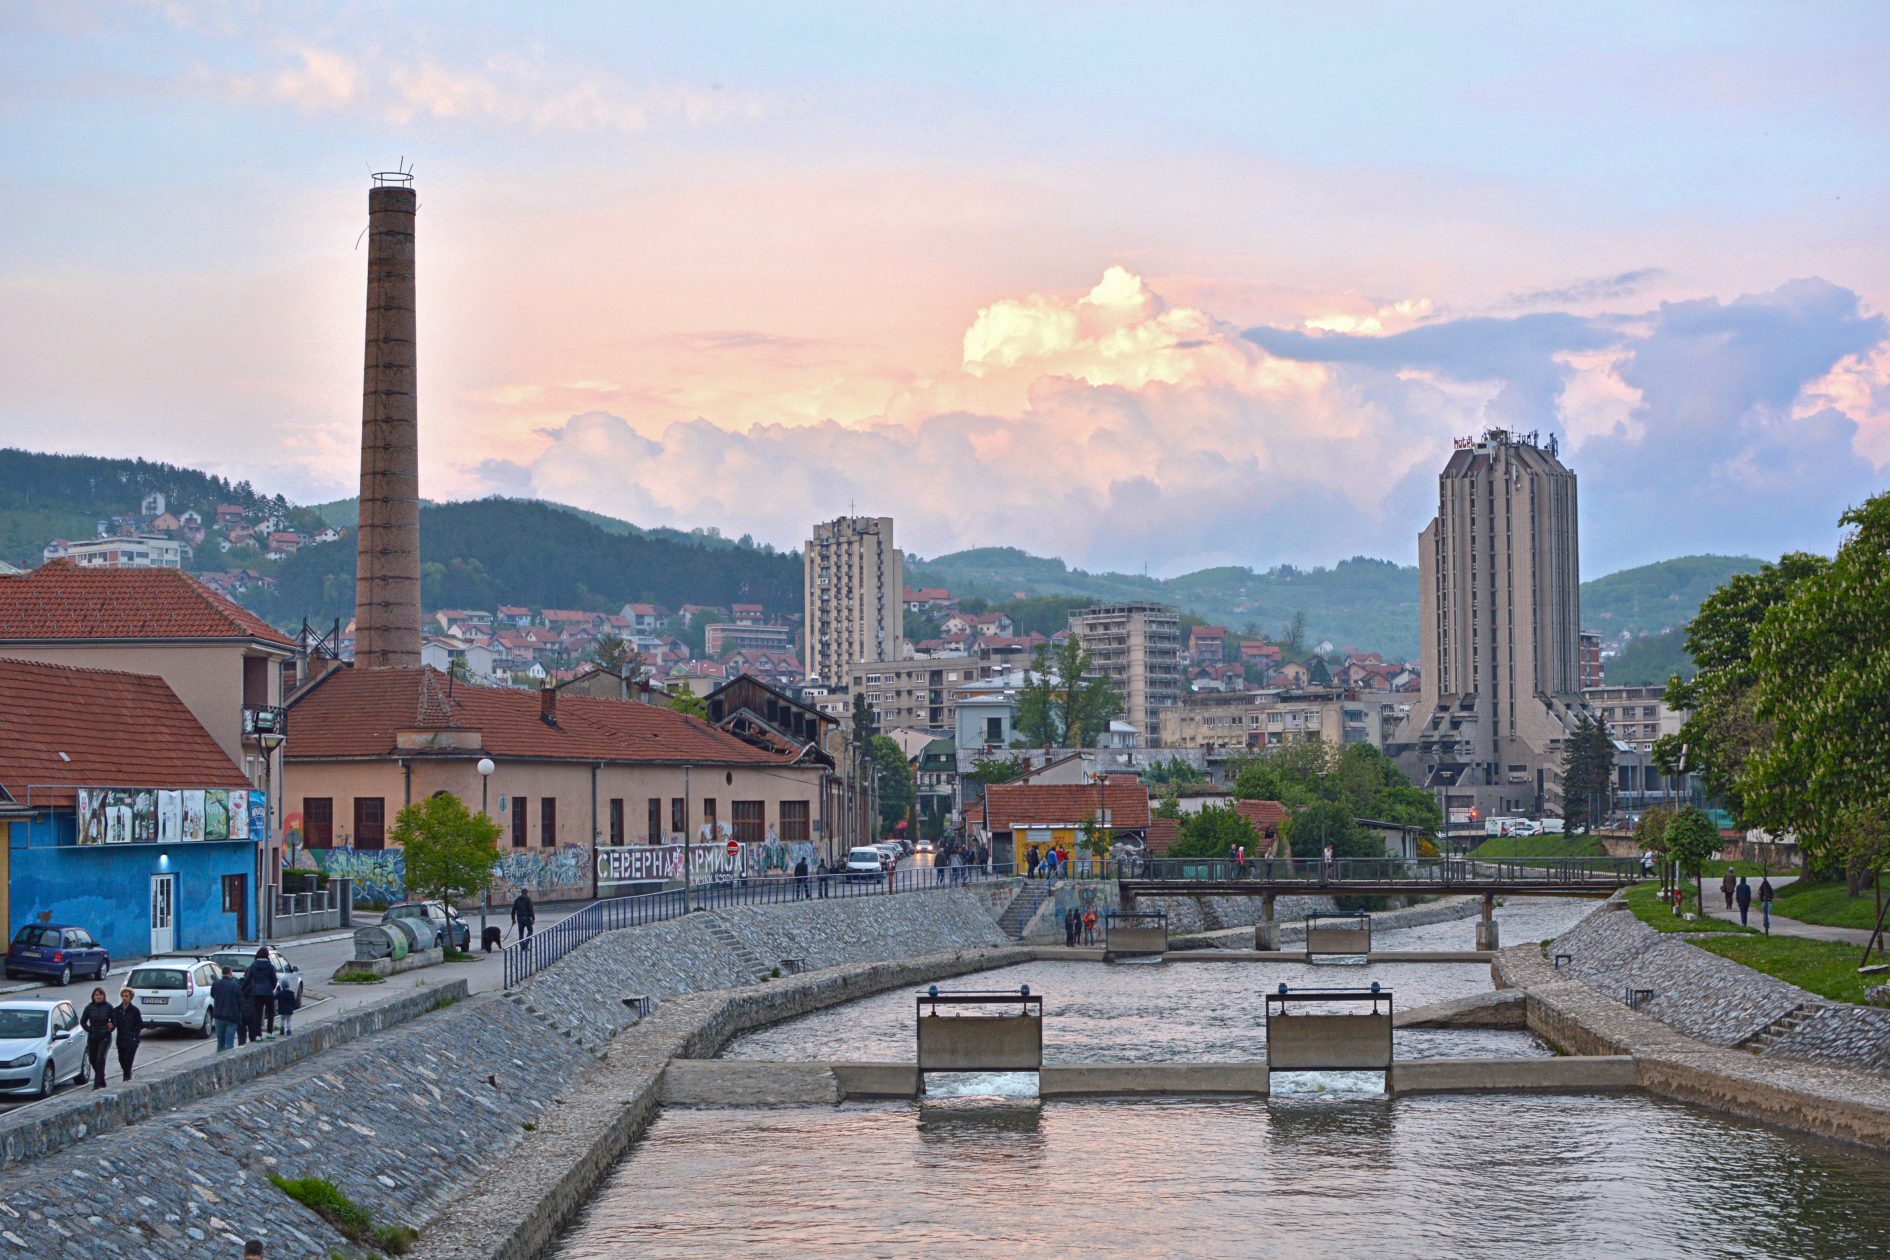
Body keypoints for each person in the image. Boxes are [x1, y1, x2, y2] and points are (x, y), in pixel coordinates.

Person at [80, 986, 115, 1089]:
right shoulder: (89, 1008)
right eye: (96, 995)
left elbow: (114, 1021)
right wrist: (89, 1029)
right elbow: (83, 1022)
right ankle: (101, 1078)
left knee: (100, 1058)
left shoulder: (108, 1007)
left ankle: (97, 1083)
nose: (99, 996)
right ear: (93, 997)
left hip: (104, 1036)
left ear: (104, 996)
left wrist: (109, 1029)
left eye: (100, 994)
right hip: (93, 1036)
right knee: (92, 1059)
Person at [247, 947, 279, 1040]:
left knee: (258, 1014)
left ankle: (258, 1035)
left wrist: (243, 988)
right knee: (270, 1013)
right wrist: (271, 989)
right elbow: (274, 980)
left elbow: (248, 979)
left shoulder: (253, 965)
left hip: (257, 993)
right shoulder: (270, 966)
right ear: (267, 955)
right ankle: (269, 1033)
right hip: (268, 992)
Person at [211, 966, 245, 1052]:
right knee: (229, 1043)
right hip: (232, 1016)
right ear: (230, 973)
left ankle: (218, 1060)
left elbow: (212, 995)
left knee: (220, 1043)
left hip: (218, 1015)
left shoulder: (216, 984)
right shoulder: (235, 986)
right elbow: (241, 1002)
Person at [113, 986, 143, 1082]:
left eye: (127, 996)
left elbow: (139, 1024)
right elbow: (114, 1023)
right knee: (121, 1059)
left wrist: (135, 1035)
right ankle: (127, 1073)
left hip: (131, 1040)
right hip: (121, 1039)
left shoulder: (135, 1010)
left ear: (131, 997)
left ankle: (126, 1077)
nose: (124, 998)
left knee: (128, 1060)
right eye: (123, 996)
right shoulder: (117, 1010)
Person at [275, 973, 300, 1038]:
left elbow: (274, 997)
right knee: (289, 1021)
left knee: (282, 1020)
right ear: (288, 986)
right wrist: (293, 1007)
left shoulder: (280, 993)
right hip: (289, 1010)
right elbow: (294, 1002)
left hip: (282, 1010)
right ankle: (289, 1031)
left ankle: (282, 1030)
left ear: (282, 986)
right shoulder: (291, 993)